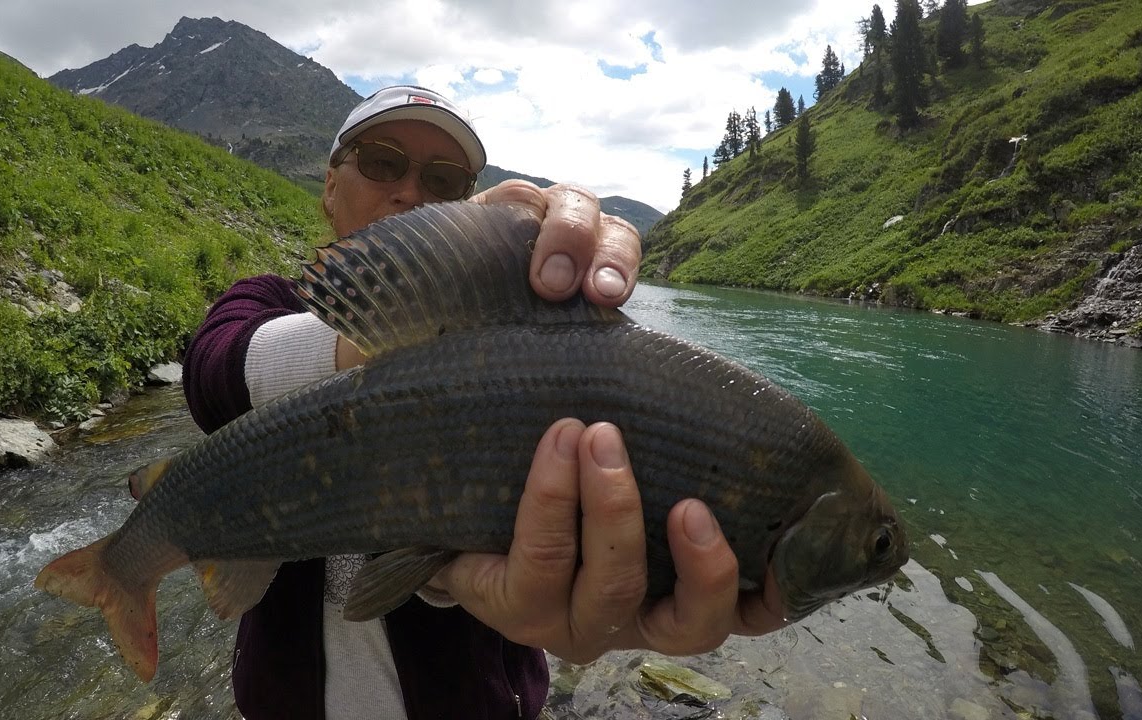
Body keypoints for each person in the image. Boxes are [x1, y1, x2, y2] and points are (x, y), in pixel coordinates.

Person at [182, 85, 785, 720]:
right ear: (330, 186)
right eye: (383, 162)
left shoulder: (513, 351)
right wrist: (417, 315)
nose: (410, 192)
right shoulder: (267, 300)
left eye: (443, 180)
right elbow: (213, 376)